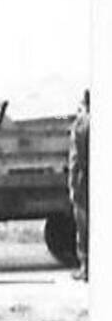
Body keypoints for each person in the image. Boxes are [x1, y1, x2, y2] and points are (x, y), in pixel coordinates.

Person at [69, 89, 89, 281]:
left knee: (84, 227)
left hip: (85, 181)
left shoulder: (81, 125)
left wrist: (73, 186)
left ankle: (86, 268)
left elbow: (75, 160)